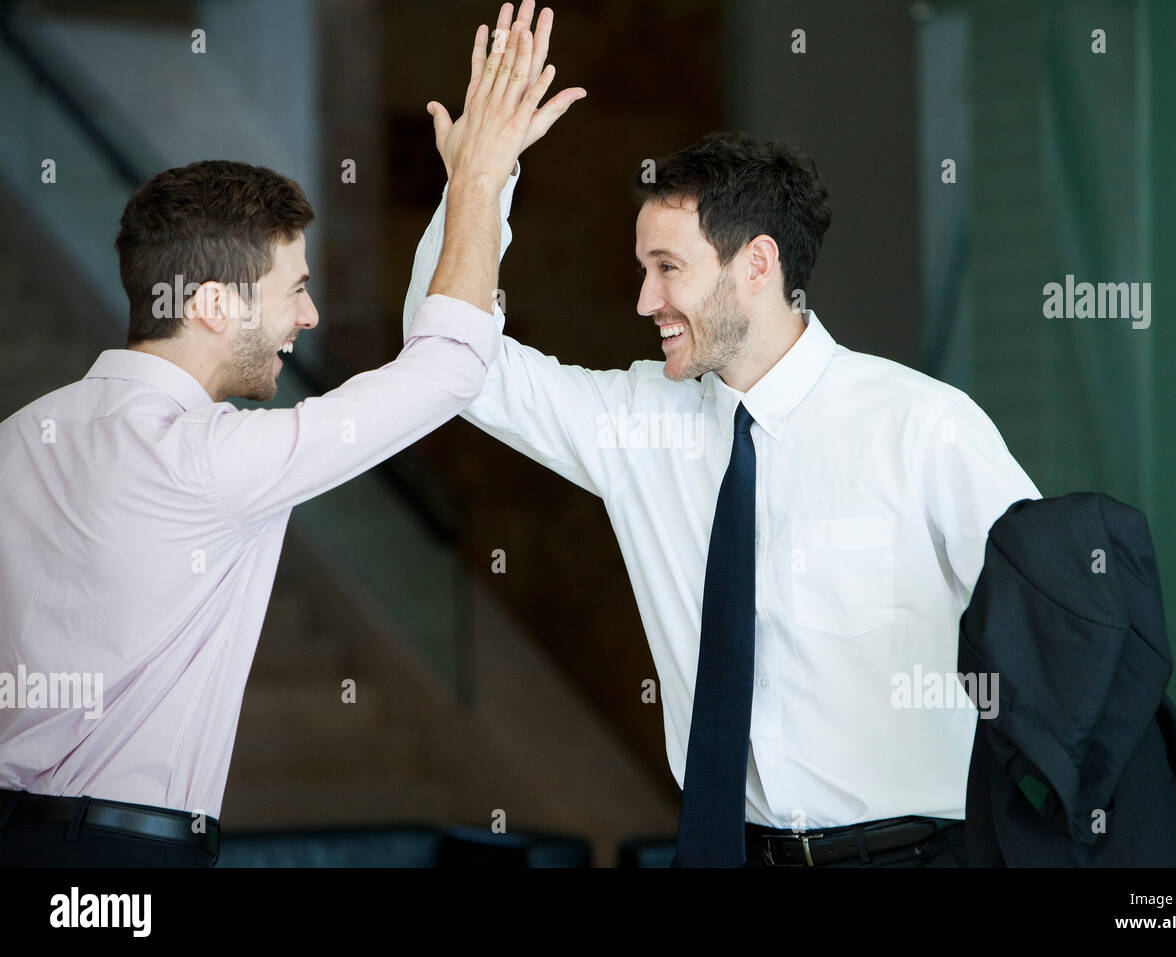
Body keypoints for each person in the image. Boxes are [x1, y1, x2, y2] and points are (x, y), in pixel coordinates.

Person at [406, 0, 1041, 868]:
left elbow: (1052, 635)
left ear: (758, 265)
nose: (643, 301)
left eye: (668, 269)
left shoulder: (923, 427)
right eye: (643, 269)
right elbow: (450, 360)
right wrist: (480, 184)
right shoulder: (636, 423)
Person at [0, 14, 583, 866]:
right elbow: (450, 365)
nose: (309, 316)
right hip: (127, 867)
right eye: (294, 290)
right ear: (209, 304)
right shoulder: (210, 460)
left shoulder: (18, 439)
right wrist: (482, 176)